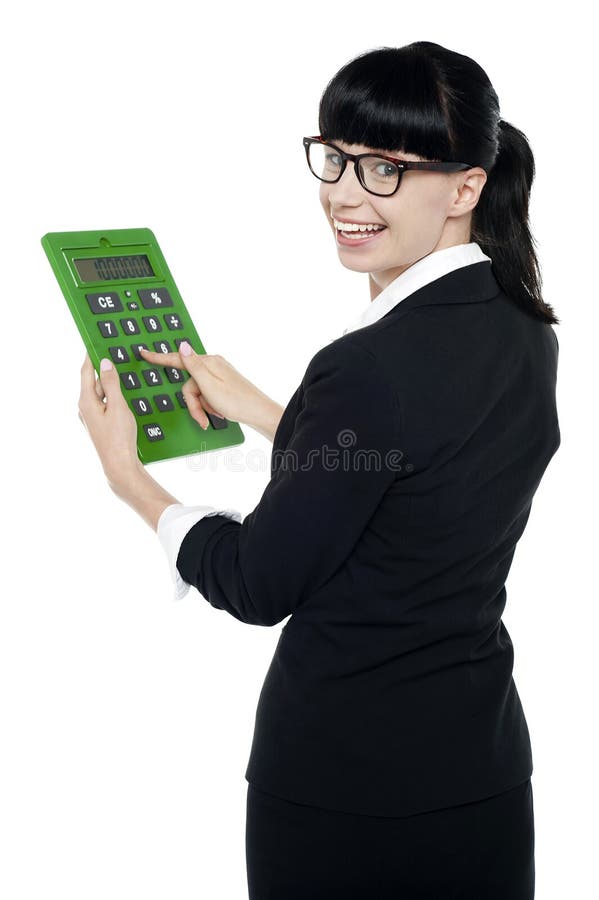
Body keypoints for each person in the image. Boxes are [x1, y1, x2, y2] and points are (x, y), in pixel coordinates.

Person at [77, 41, 560, 900]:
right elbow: (420, 466)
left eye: (384, 168)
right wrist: (274, 411)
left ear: (465, 186)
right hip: (478, 775)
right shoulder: (519, 322)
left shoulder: (367, 369)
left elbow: (258, 582)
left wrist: (133, 482)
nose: (343, 192)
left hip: (345, 792)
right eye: (334, 156)